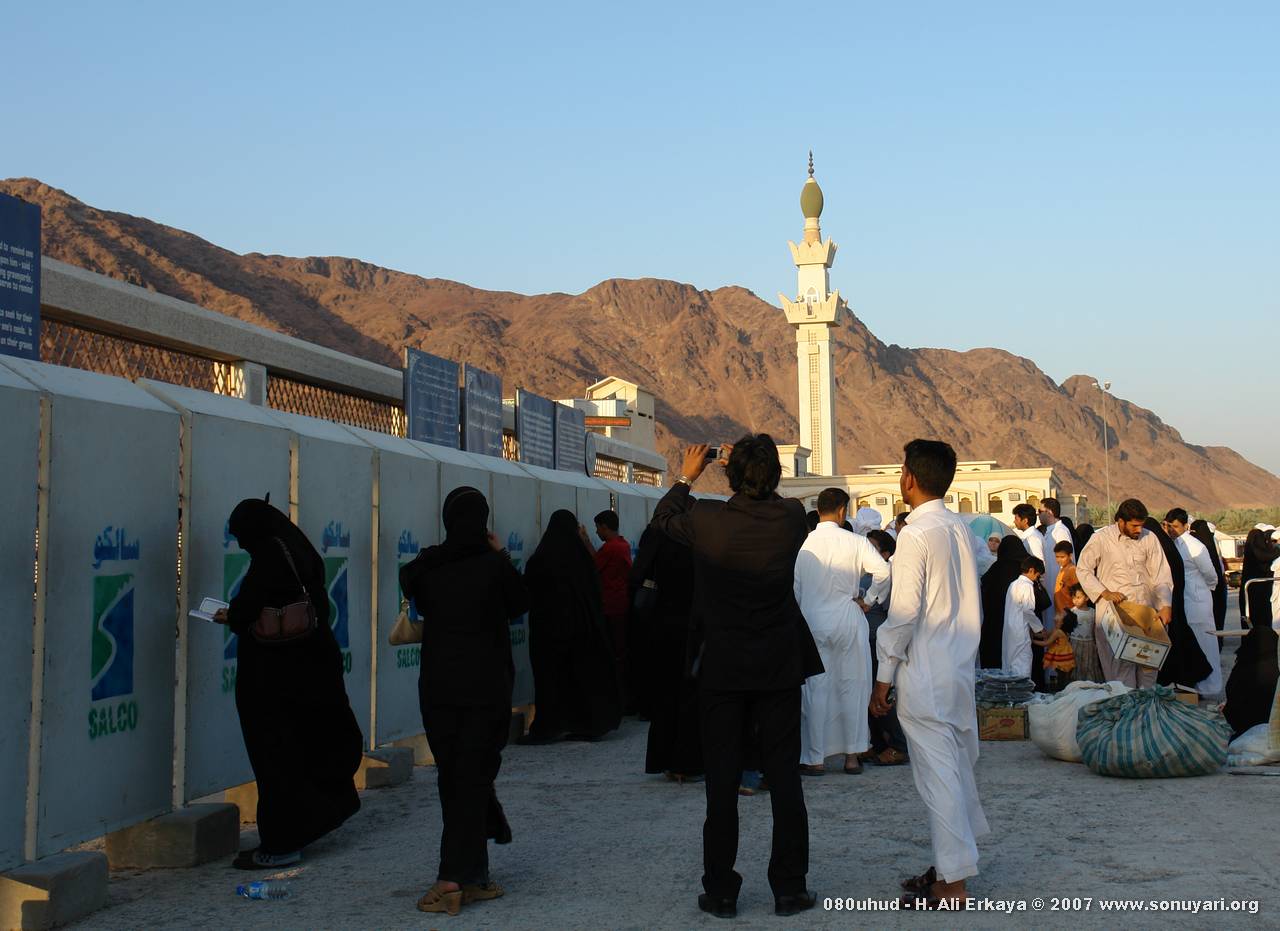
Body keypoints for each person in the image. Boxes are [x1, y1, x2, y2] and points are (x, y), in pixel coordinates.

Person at [651, 436, 821, 919]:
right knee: (784, 778)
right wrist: (749, 469)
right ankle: (789, 888)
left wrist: (686, 476)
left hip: (723, 667)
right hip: (778, 665)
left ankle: (722, 890)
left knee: (722, 781)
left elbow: (662, 518)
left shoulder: (706, 519)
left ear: (728, 475)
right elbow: (773, 497)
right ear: (775, 476)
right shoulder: (791, 517)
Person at [871, 440, 989, 911]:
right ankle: (948, 867)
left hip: (927, 670)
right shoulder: (959, 527)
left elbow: (903, 614)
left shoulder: (916, 534)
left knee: (938, 778)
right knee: (955, 769)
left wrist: (883, 677)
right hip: (958, 667)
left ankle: (952, 886)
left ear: (910, 477)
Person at [399, 487, 528, 916]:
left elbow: (408, 579)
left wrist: (438, 553)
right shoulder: (494, 567)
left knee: (456, 778)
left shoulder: (431, 566)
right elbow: (520, 602)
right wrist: (500, 553)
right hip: (486, 689)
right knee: (472, 778)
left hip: (440, 689)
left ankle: (471, 875)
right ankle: (454, 879)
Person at [216, 498, 363, 870]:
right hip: (310, 669)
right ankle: (304, 826)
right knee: (304, 750)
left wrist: (231, 615)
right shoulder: (297, 549)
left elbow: (247, 610)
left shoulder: (268, 556)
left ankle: (282, 842)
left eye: (241, 536)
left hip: (275, 678)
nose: (242, 544)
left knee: (276, 757)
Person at [794, 488, 891, 776]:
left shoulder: (804, 545)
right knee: (852, 685)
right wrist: (869, 599)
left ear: (818, 510)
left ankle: (815, 758)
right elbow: (883, 571)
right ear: (841, 511)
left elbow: (795, 589)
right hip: (848, 617)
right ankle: (851, 757)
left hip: (813, 619)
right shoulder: (856, 541)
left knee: (815, 689)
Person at [521, 510, 621, 743]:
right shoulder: (583, 560)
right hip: (581, 629)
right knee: (581, 677)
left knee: (550, 679)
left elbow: (528, 590)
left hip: (549, 630)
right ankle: (585, 723)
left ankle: (549, 726)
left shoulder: (542, 558)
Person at [1075, 499, 1174, 688]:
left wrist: (1165, 605)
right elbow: (1083, 569)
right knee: (1120, 674)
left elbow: (1161, 574)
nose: (1139, 530)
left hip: (1146, 614)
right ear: (1120, 521)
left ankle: (1145, 706)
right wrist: (1104, 592)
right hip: (1114, 616)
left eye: (1141, 525)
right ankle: (1126, 706)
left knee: (1148, 669)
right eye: (1134, 526)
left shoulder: (1149, 538)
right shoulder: (1101, 538)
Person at [631, 522, 703, 782]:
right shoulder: (698, 545)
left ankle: (665, 760)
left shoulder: (657, 542)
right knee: (690, 700)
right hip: (692, 633)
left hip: (662, 632)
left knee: (666, 699)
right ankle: (688, 763)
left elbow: (636, 580)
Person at [1145, 517, 1210, 691]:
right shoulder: (1169, 547)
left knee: (1173, 646)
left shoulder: (1161, 550)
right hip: (1176, 603)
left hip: (1166, 605)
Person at [862, 529, 908, 766]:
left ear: (886, 554)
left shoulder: (888, 577)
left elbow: (895, 614)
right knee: (866, 696)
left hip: (877, 642)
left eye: (873, 548)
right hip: (862, 641)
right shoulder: (863, 575)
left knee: (880, 696)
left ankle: (898, 746)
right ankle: (878, 744)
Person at [584, 510, 636, 712]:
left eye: (598, 528)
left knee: (613, 653)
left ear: (605, 527)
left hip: (611, 607)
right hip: (621, 604)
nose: (597, 532)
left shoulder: (611, 548)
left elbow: (593, 565)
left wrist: (585, 542)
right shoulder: (623, 545)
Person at [1166, 509, 1222, 695]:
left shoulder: (1195, 546)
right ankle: (1194, 686)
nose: (1172, 530)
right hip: (1184, 600)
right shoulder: (1172, 544)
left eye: (1175, 526)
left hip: (1198, 600)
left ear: (1185, 526)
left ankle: (1210, 687)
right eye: (1169, 526)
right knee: (1192, 644)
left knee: (1205, 642)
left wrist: (1203, 590)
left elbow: (1211, 575)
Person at [978, 536, 1030, 669]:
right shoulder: (1025, 568)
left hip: (995, 619)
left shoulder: (997, 567)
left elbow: (984, 587)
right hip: (1019, 621)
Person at [1002, 556, 1048, 679]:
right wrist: (1039, 628)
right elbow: (1028, 610)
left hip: (1010, 629)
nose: (1037, 578)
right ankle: (1022, 689)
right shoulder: (1027, 586)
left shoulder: (1013, 584)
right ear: (1031, 570)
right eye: (1037, 575)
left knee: (1010, 661)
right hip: (1020, 630)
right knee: (1022, 662)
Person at [1037, 499, 1074, 631]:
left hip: (1059, 587)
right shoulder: (1050, 531)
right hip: (1051, 585)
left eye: (1040, 511)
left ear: (1050, 512)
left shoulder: (1061, 531)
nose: (1038, 514)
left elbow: (1068, 561)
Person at [1189, 519, 1228, 631]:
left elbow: (1211, 571)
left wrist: (1212, 584)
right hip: (1209, 589)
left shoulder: (1200, 545)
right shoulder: (1199, 544)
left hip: (1210, 588)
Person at [1239, 526, 1280, 629]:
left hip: (1256, 591)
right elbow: (1264, 556)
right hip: (1256, 592)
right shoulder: (1261, 553)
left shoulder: (1255, 552)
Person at [1066, 584, 1101, 682]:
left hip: (1089, 644)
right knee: (1076, 664)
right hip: (1075, 643)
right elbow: (1068, 629)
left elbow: (1095, 629)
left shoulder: (1093, 612)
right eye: (1073, 598)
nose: (1075, 600)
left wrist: (1096, 643)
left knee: (1089, 664)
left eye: (1078, 597)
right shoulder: (1072, 611)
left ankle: (1089, 684)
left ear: (1087, 597)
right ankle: (1076, 684)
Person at [1051, 541, 1079, 623]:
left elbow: (1078, 593)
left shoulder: (1072, 570)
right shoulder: (1063, 569)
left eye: (1062, 557)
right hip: (1061, 612)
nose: (1059, 560)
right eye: (1057, 557)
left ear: (1070, 556)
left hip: (1069, 614)